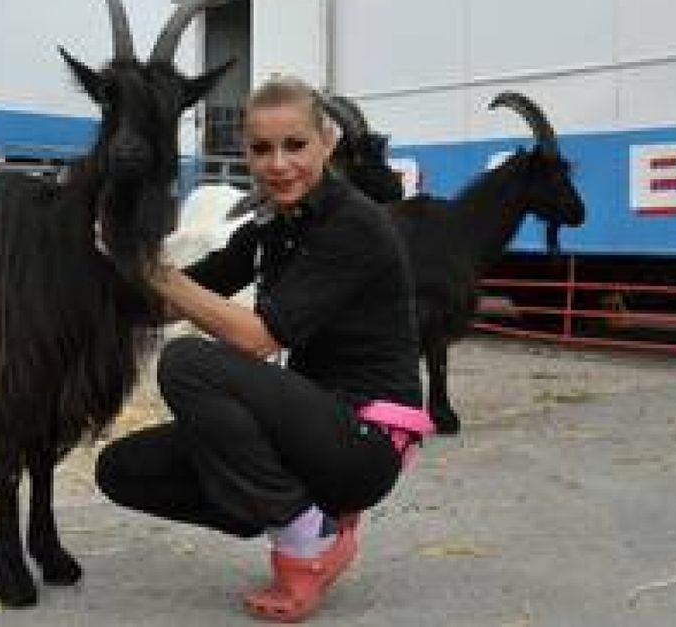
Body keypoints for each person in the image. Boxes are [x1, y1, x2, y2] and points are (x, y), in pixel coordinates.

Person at [96, 74, 430, 622]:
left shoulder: (354, 226)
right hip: (309, 427)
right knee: (124, 470)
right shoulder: (273, 228)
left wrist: (152, 268)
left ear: (327, 142)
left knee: (188, 364)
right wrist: (103, 277)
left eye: (294, 145)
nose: (278, 164)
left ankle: (304, 542)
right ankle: (289, 510)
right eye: (261, 149)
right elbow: (179, 296)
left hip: (365, 443)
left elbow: (255, 337)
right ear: (245, 153)